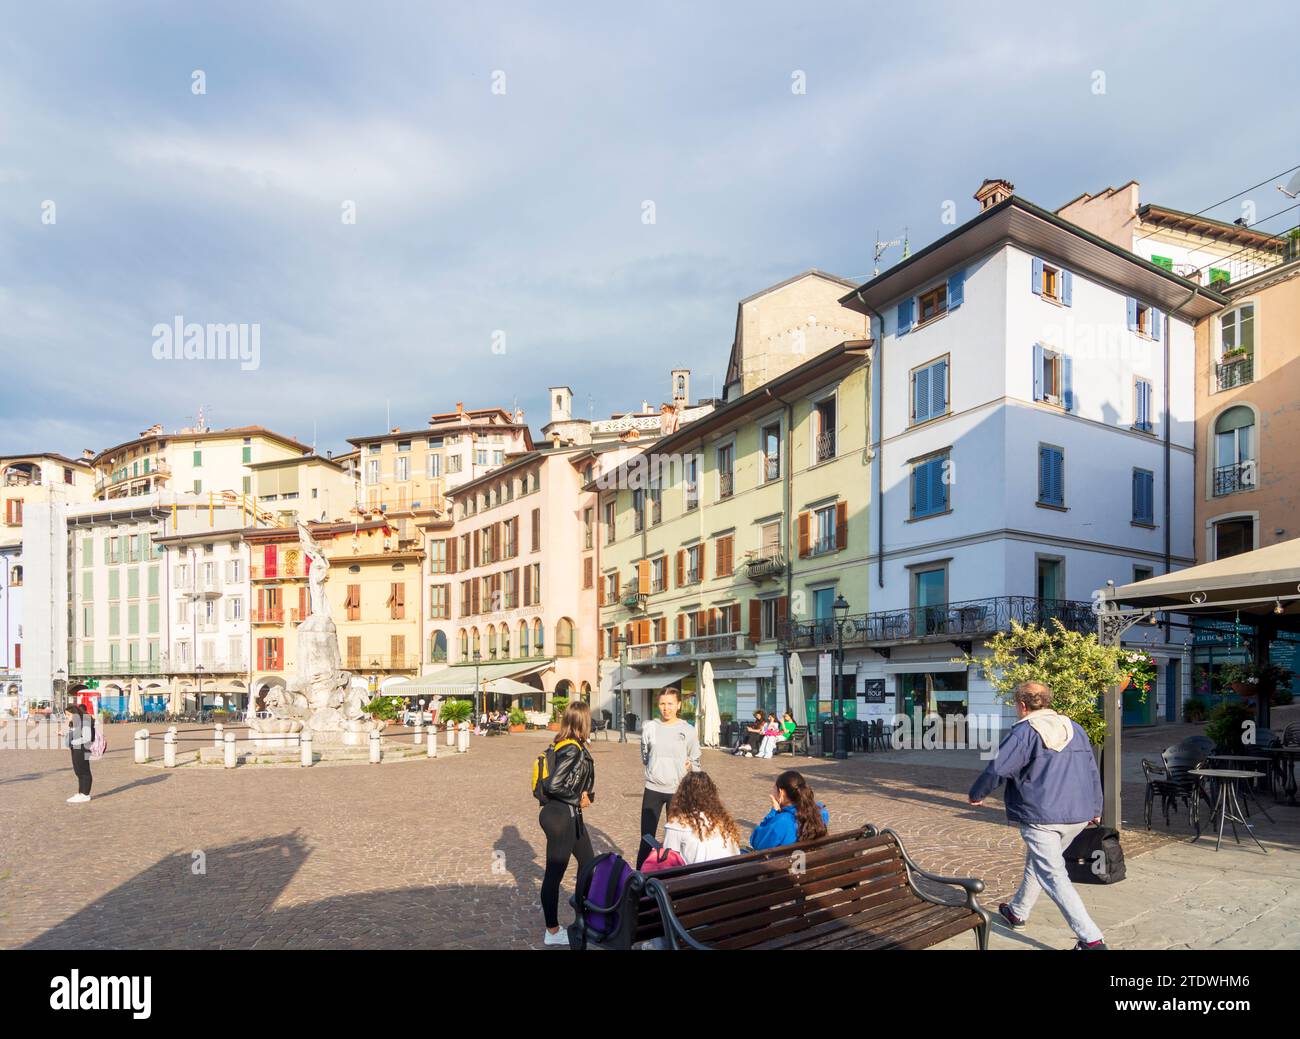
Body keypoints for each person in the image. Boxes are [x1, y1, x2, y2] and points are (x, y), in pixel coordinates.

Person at [968, 681, 1107, 950]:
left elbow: (998, 768)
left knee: (1053, 875)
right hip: (1078, 814)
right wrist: (1096, 808)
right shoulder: (1074, 728)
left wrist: (977, 793)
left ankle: (1091, 939)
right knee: (1040, 862)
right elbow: (1092, 769)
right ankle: (1018, 911)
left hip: (1041, 816)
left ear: (1022, 705)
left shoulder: (1025, 733)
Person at [537, 700, 596, 947]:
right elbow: (554, 785)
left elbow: (578, 780)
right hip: (561, 815)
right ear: (583, 721)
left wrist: (587, 795)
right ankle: (552, 931)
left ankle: (586, 916)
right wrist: (578, 799)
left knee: (588, 863)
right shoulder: (571, 748)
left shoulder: (568, 744)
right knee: (554, 874)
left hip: (568, 813)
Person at [637, 687, 701, 868]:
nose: (666, 708)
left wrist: (689, 767)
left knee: (676, 839)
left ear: (678, 705)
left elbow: (695, 760)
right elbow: (645, 756)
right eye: (662, 704)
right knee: (646, 837)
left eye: (670, 704)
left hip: (677, 790)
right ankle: (639, 878)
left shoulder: (688, 730)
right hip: (653, 789)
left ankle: (673, 877)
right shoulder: (650, 727)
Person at [662, 772, 742, 864]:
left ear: (682, 795)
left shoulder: (677, 824)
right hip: (729, 874)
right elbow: (736, 853)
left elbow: (668, 860)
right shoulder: (724, 820)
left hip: (696, 877)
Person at [751, 770, 828, 849]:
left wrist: (774, 811)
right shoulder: (821, 812)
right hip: (811, 859)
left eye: (774, 789)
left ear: (781, 793)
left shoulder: (782, 821)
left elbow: (758, 844)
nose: (772, 793)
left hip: (784, 860)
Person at [65, 702, 95, 803]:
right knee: (78, 771)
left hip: (83, 749)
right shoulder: (75, 722)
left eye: (68, 714)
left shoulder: (85, 721)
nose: (67, 717)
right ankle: (81, 793)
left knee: (84, 771)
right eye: (66, 715)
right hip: (75, 748)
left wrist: (74, 741)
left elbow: (87, 738)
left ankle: (85, 794)